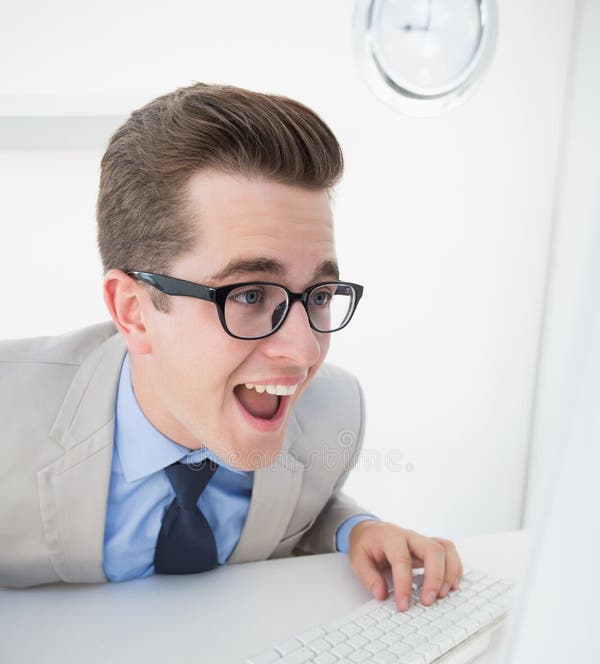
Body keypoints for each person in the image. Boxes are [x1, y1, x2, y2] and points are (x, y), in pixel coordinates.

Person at [0, 82, 462, 606]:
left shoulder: (333, 414)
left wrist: (353, 529)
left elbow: (296, 511)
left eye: (319, 294)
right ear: (133, 311)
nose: (306, 351)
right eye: (247, 294)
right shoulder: (8, 416)